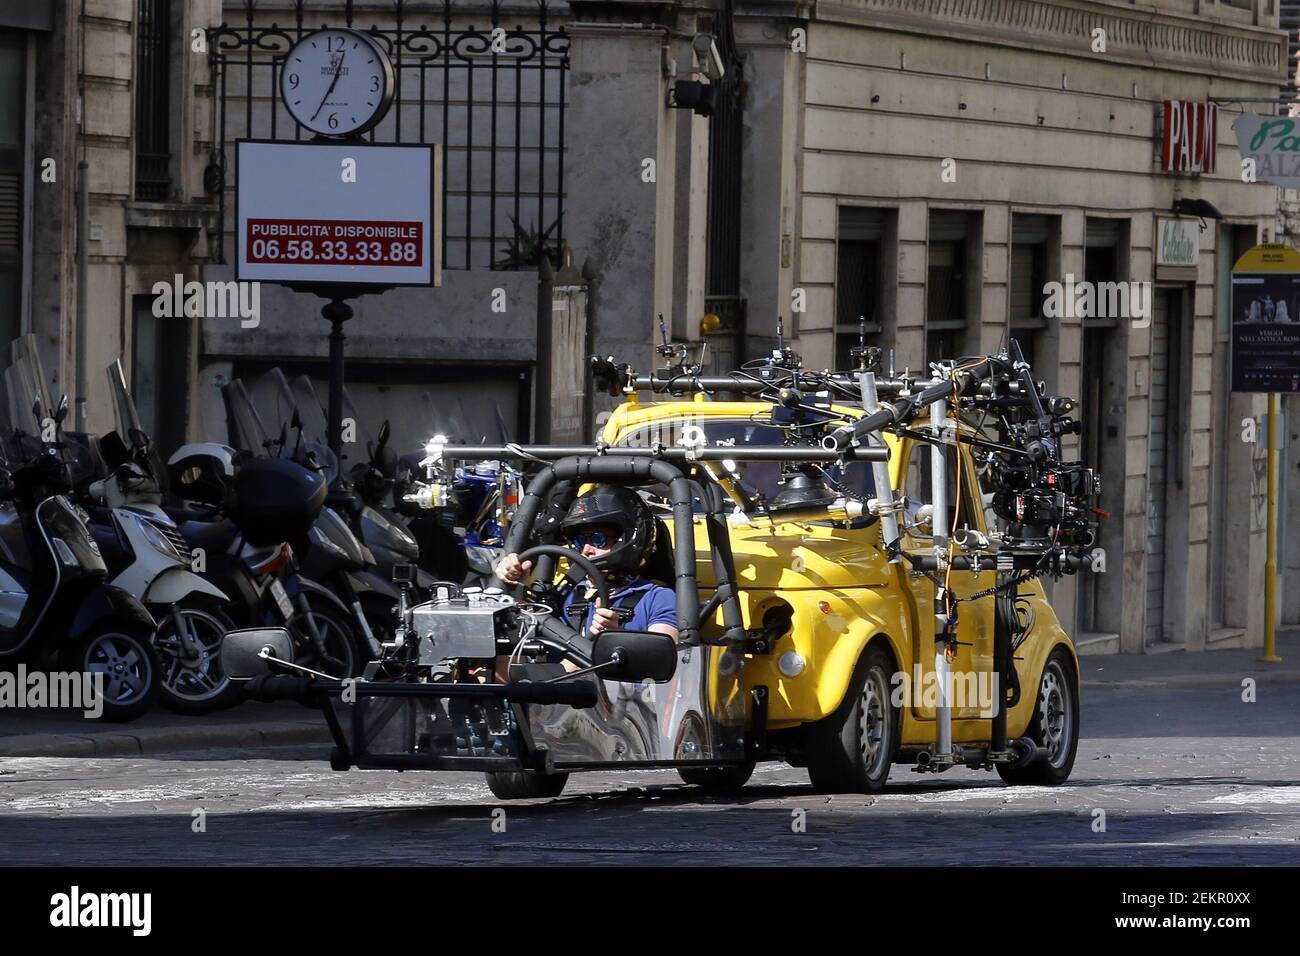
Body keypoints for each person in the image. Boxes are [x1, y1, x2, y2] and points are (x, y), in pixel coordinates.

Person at [494, 484, 678, 641]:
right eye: (581, 541)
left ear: (627, 538)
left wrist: (617, 638)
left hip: (619, 682)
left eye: (598, 539)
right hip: (553, 681)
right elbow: (519, 651)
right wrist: (513, 585)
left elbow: (663, 658)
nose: (586, 550)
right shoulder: (564, 594)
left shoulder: (658, 598)